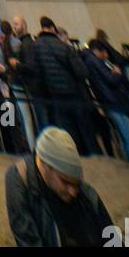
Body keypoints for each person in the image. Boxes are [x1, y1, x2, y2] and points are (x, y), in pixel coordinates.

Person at [6, 126, 114, 247]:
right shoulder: (21, 180)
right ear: (44, 166)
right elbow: (28, 240)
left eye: (77, 184)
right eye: (66, 182)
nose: (73, 192)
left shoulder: (88, 196)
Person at [31, 17, 97, 156]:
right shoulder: (64, 46)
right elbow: (82, 72)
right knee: (87, 133)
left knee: (69, 136)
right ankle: (96, 161)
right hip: (75, 95)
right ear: (54, 29)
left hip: (56, 98)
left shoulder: (36, 46)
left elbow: (37, 74)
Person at [82, 40, 129, 171]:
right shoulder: (94, 61)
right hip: (115, 103)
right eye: (104, 52)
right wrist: (118, 72)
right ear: (98, 51)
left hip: (109, 104)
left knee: (125, 140)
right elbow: (111, 80)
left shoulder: (89, 61)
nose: (107, 56)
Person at [7, 15, 39, 150]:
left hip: (11, 85)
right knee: (11, 119)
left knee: (16, 119)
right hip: (7, 88)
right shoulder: (11, 45)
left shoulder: (19, 45)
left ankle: (13, 144)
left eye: (16, 24)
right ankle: (12, 144)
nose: (14, 27)